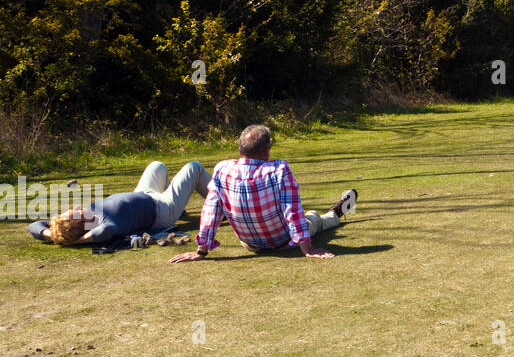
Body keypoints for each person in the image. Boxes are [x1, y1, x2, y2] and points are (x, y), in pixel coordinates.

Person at [169, 123, 356, 264]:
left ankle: (331, 214)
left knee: (307, 219)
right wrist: (307, 249)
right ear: (267, 150)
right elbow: (291, 210)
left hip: (249, 244)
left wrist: (201, 251)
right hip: (283, 241)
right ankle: (335, 214)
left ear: (240, 150)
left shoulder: (221, 169)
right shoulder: (279, 169)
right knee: (314, 218)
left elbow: (211, 211)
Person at [28, 161, 211, 247]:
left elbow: (34, 226)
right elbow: (101, 234)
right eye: (74, 214)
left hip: (143, 194)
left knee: (157, 166)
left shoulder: (90, 218)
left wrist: (52, 235)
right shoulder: (108, 224)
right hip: (163, 210)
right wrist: (78, 240)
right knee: (193, 167)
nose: (75, 209)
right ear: (81, 223)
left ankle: (181, 204)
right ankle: (227, 205)